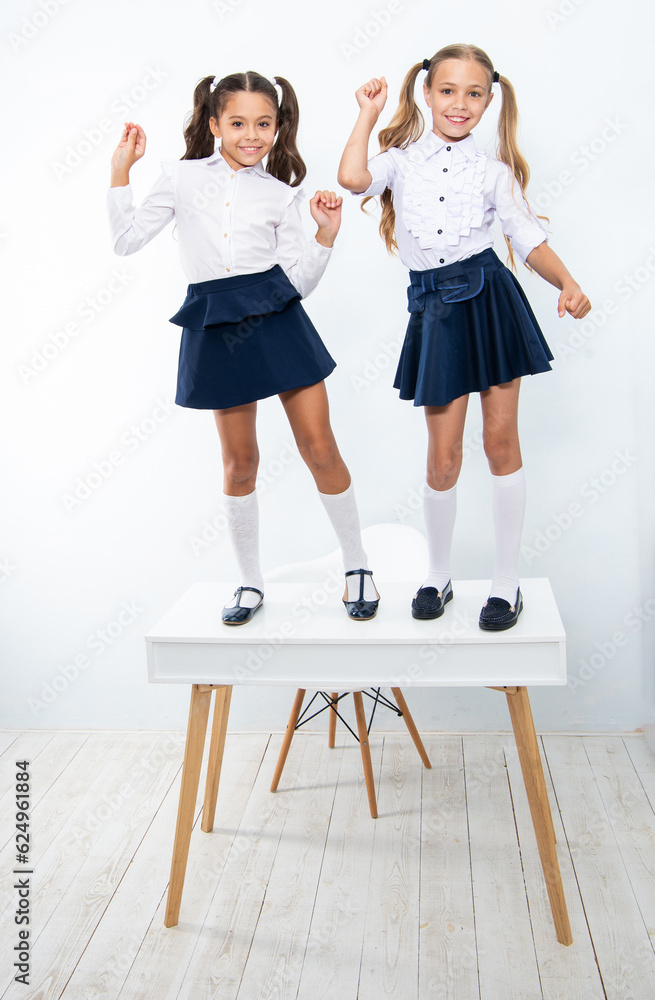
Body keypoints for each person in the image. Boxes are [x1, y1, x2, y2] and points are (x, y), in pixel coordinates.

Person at [108, 70, 379, 625]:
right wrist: (120, 172)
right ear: (213, 125)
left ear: (278, 128)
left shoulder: (282, 195)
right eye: (237, 123)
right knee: (240, 463)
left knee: (319, 446)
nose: (251, 135)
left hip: (279, 321)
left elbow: (298, 282)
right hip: (215, 322)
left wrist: (326, 232)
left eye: (263, 123)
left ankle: (358, 566)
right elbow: (126, 240)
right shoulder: (180, 180)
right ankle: (249, 582)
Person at [338, 44, 590, 630]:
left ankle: (506, 585)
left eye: (474, 93)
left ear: (488, 101)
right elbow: (353, 178)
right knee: (443, 456)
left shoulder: (493, 172)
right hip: (434, 310)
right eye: (447, 91)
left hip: (490, 298)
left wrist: (568, 282)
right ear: (426, 94)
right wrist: (367, 115)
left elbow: (527, 238)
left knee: (501, 445)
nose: (460, 103)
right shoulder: (399, 161)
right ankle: (438, 575)